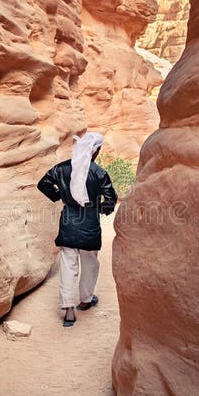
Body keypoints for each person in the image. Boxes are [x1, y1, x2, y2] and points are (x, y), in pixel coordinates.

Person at [37, 131, 118, 327]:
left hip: (68, 223)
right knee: (90, 263)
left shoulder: (63, 168)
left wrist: (59, 196)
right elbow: (110, 199)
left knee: (67, 265)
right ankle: (85, 300)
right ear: (95, 150)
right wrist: (98, 209)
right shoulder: (99, 173)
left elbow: (43, 184)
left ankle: (68, 310)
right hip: (89, 224)